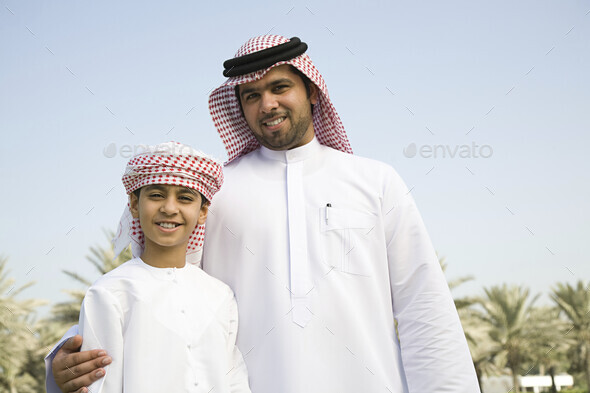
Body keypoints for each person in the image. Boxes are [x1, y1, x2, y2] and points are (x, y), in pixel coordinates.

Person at [47, 36, 480, 393]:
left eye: (279, 88)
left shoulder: (376, 182)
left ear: (312, 91)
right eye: (251, 95)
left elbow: (425, 310)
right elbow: (160, 285)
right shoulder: (215, 192)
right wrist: (66, 354)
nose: (267, 104)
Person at [55, 142, 250, 393]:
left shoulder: (221, 295)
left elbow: (234, 381)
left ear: (202, 213)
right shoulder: (109, 292)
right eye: (156, 195)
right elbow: (104, 384)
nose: (169, 208)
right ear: (134, 205)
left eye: (185, 198)